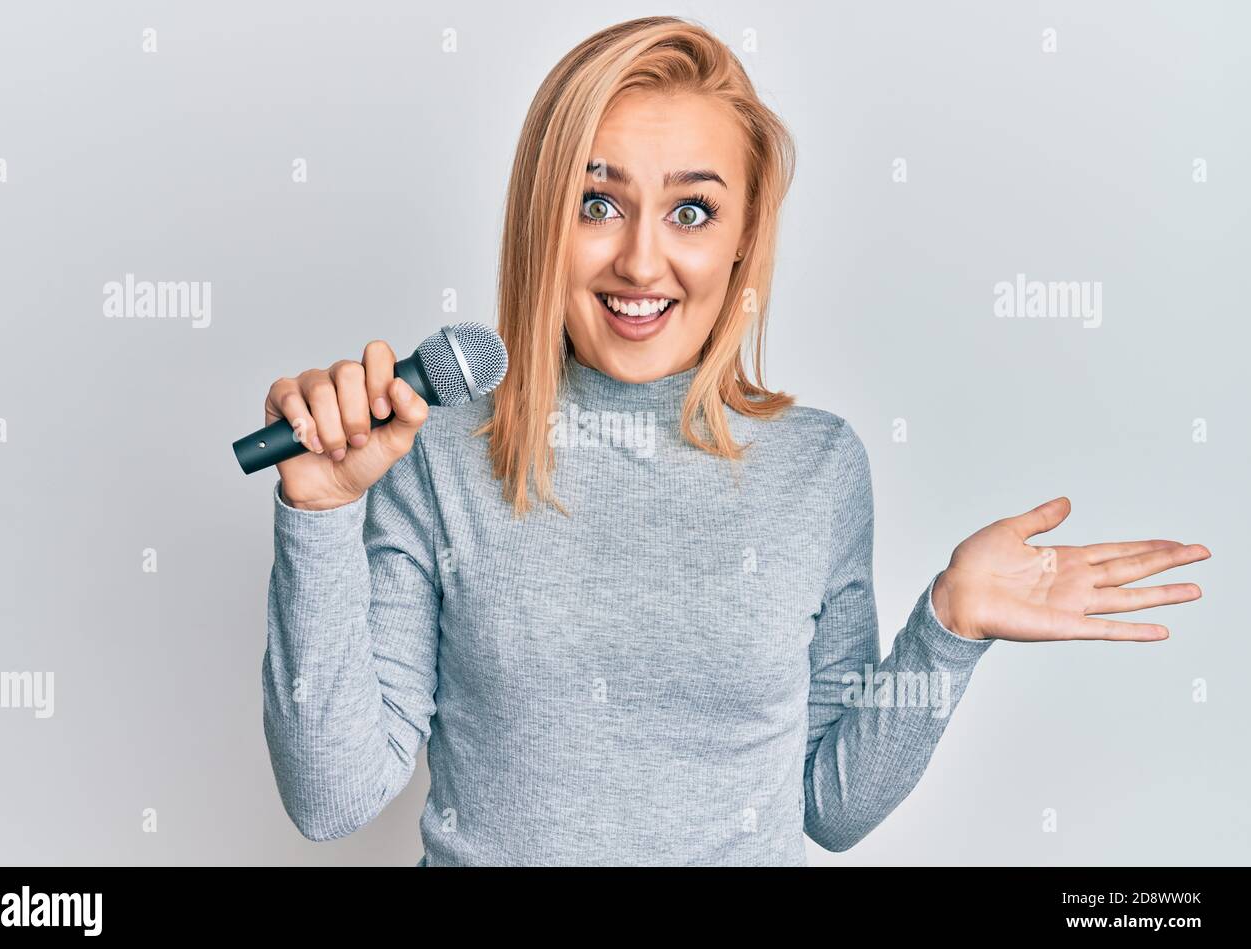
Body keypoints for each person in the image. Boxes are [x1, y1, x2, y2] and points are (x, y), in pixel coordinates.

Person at [258, 16, 1211, 865]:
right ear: (539, 222)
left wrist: (947, 632)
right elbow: (335, 799)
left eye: (691, 210)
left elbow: (827, 810)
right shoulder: (435, 453)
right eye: (597, 201)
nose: (640, 257)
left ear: (744, 241)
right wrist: (321, 513)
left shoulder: (818, 468)